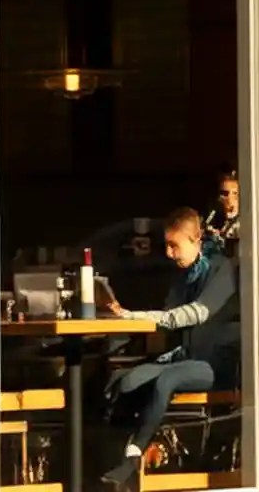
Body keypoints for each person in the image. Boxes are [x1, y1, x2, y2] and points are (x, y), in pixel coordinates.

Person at [101, 207, 239, 490]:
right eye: (166, 245)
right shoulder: (183, 276)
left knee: (167, 380)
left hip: (216, 362)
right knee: (126, 381)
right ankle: (121, 454)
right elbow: (168, 315)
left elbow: (194, 314)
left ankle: (133, 458)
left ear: (196, 239)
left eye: (174, 245)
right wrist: (124, 314)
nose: (168, 253)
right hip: (185, 357)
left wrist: (134, 315)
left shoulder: (222, 270)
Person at [204, 171, 240, 244]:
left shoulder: (246, 222)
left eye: (235, 193)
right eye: (223, 194)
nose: (229, 199)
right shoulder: (214, 218)